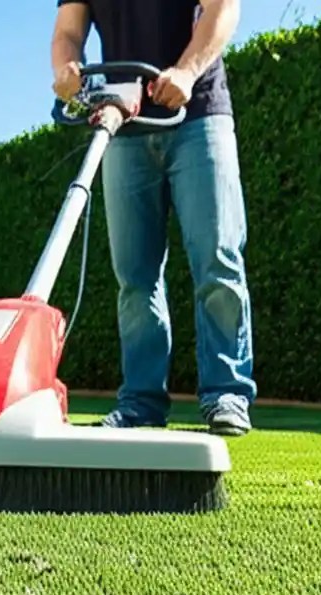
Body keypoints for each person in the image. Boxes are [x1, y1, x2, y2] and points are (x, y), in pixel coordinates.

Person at [50, 0, 256, 436]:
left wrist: (185, 71)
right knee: (135, 276)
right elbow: (68, 32)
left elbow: (223, 9)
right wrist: (68, 70)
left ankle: (227, 394)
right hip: (124, 123)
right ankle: (141, 402)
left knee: (217, 259)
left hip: (197, 115)